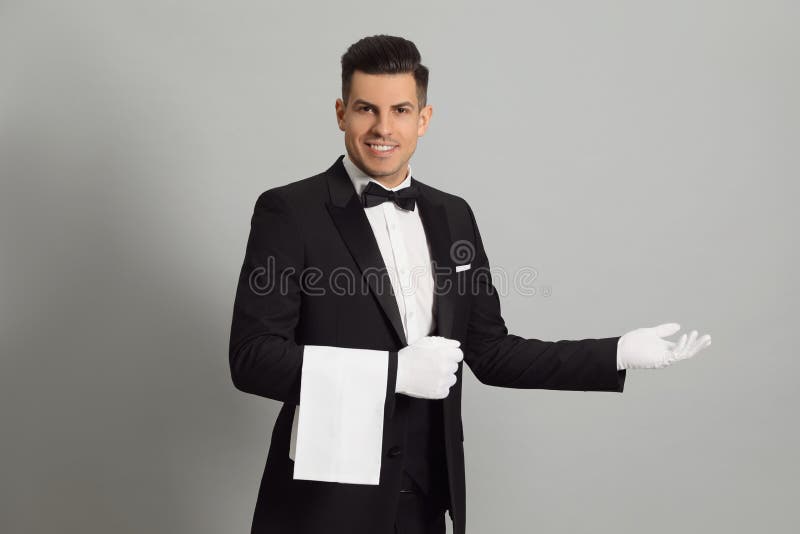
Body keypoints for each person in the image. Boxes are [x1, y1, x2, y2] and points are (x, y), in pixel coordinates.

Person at [228, 34, 711, 534]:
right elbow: (252, 358)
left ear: (423, 119)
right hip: (326, 503)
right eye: (366, 109)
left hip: (425, 501)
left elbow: (491, 351)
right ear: (340, 113)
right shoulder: (290, 211)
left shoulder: (453, 215)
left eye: (400, 110)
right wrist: (392, 373)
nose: (383, 128)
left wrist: (616, 353)